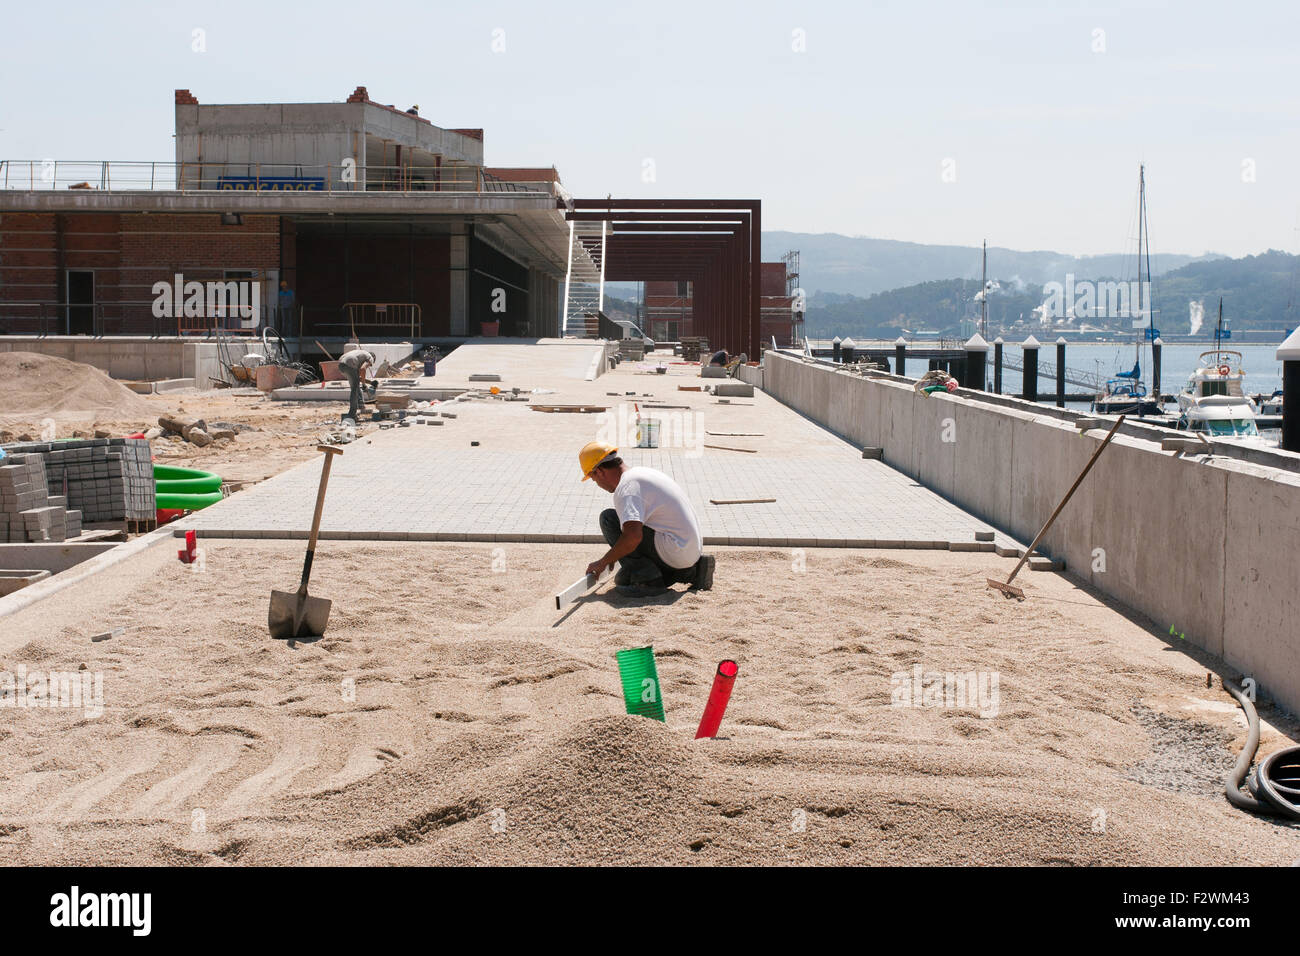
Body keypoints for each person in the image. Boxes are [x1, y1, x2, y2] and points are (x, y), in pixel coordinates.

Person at [579, 441, 714, 597]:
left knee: (609, 519)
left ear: (600, 472)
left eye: (594, 480)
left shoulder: (627, 488)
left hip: (674, 550)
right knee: (624, 579)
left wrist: (603, 562)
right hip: (688, 552)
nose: (598, 484)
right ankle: (693, 572)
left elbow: (633, 537)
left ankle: (648, 581)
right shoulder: (640, 473)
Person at [338, 347, 375, 422]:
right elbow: (363, 369)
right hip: (349, 363)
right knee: (355, 389)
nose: (369, 366)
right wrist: (364, 385)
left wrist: (368, 383)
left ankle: (361, 405)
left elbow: (358, 377)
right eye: (370, 365)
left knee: (355, 384)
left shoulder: (360, 355)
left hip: (341, 364)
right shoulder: (370, 357)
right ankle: (352, 414)